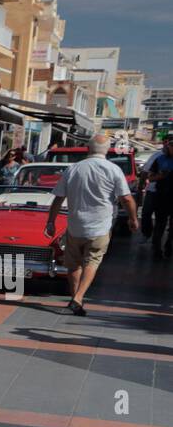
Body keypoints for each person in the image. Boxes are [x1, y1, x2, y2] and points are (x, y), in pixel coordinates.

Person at [45, 134, 139, 316]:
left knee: (73, 265)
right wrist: (133, 219)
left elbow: (58, 198)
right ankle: (78, 297)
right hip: (100, 227)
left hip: (75, 226)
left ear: (88, 149)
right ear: (107, 151)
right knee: (92, 261)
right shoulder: (113, 170)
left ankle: (76, 301)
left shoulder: (73, 169)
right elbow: (126, 198)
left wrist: (50, 222)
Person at [142, 137, 173, 257]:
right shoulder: (160, 159)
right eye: (171, 145)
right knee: (160, 223)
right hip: (162, 196)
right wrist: (160, 176)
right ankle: (157, 248)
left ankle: (169, 244)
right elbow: (150, 177)